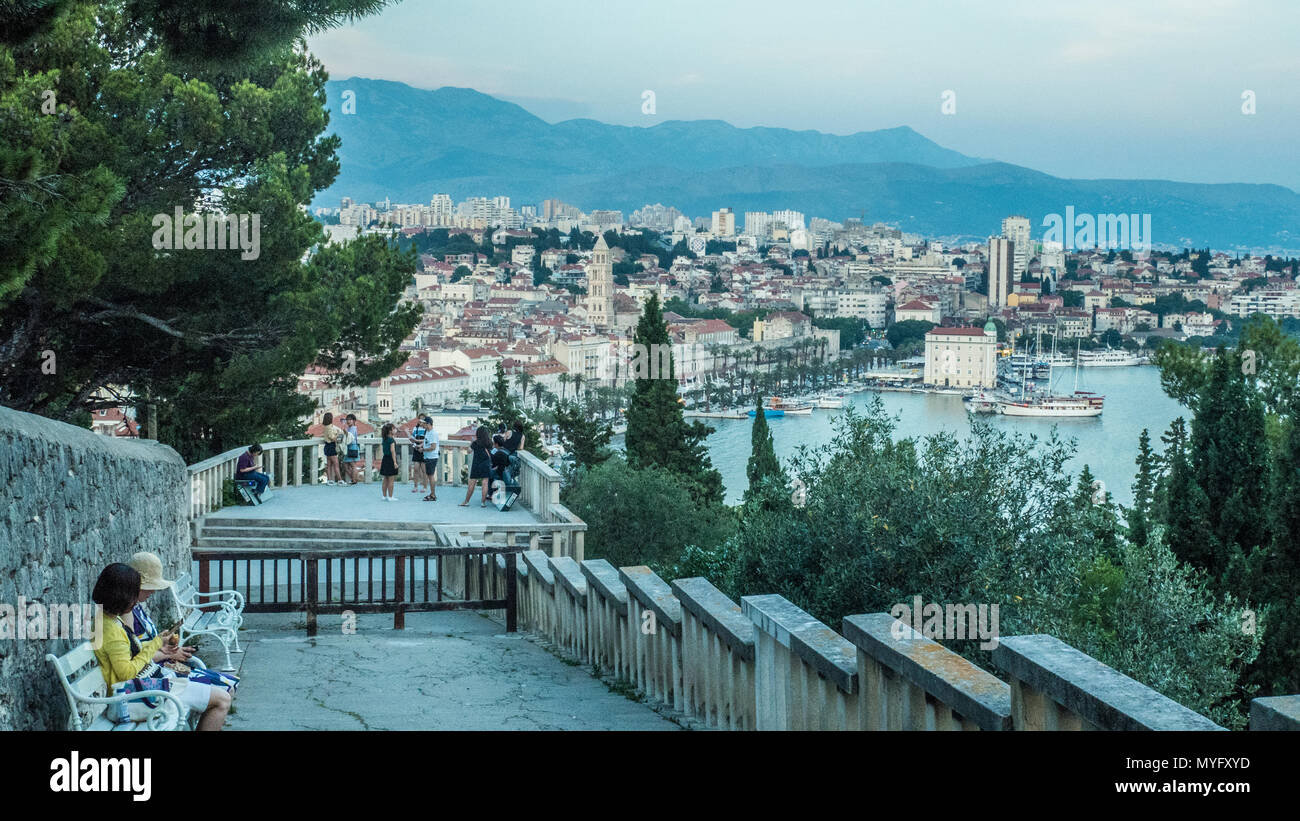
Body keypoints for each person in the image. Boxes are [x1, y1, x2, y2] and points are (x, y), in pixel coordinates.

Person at [91, 563, 231, 731]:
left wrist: (158, 644)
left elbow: (129, 661)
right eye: (133, 594)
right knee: (222, 700)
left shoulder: (108, 619)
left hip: (139, 689)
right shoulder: (111, 630)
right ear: (121, 595)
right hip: (129, 699)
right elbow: (126, 672)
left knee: (219, 695)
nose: (135, 600)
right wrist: (156, 645)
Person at [125, 552, 239, 691]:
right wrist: (170, 654)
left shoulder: (136, 607)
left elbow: (144, 647)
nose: (153, 591)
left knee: (228, 683)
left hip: (163, 664)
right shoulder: (127, 613)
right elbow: (136, 657)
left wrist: (167, 648)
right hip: (155, 672)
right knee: (225, 687)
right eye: (149, 586)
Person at [460, 425, 493, 507]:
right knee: (485, 483)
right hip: (486, 464)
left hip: (476, 464)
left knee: (472, 484)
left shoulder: (475, 443)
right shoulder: (489, 442)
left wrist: (471, 443)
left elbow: (469, 451)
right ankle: (483, 503)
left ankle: (466, 501)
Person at [321, 412, 343, 485]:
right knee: (336, 464)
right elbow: (333, 438)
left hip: (327, 446)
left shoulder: (326, 427)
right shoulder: (329, 427)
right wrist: (338, 434)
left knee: (329, 465)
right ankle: (340, 480)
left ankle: (330, 480)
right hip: (331, 446)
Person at [409, 416, 429, 495]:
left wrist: (420, 444)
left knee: (424, 470)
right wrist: (415, 445)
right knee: (416, 469)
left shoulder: (426, 430)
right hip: (416, 450)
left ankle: (425, 487)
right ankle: (415, 486)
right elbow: (412, 439)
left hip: (424, 450)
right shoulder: (415, 429)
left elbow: (426, 440)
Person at [421, 416, 439, 502]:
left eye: (424, 423)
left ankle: (433, 494)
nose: (422, 425)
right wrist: (420, 446)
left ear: (428, 424)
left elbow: (433, 447)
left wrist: (423, 449)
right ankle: (432, 493)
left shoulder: (433, 433)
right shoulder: (427, 432)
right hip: (427, 456)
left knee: (431, 476)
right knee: (429, 475)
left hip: (432, 457)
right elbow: (427, 443)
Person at [379, 423, 398, 500]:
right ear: (390, 431)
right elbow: (392, 451)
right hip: (390, 459)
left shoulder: (384, 438)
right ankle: (390, 496)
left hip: (385, 459)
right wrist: (395, 462)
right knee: (391, 480)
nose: (395, 430)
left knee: (385, 479)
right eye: (393, 429)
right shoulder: (391, 440)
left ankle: (384, 496)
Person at [341, 414, 360, 483]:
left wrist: (344, 431)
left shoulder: (353, 428)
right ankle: (354, 478)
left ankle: (354, 479)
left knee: (352, 465)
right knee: (346, 464)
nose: (348, 421)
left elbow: (350, 437)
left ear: (354, 421)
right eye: (347, 420)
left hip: (352, 447)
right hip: (350, 447)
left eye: (350, 420)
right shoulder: (350, 428)